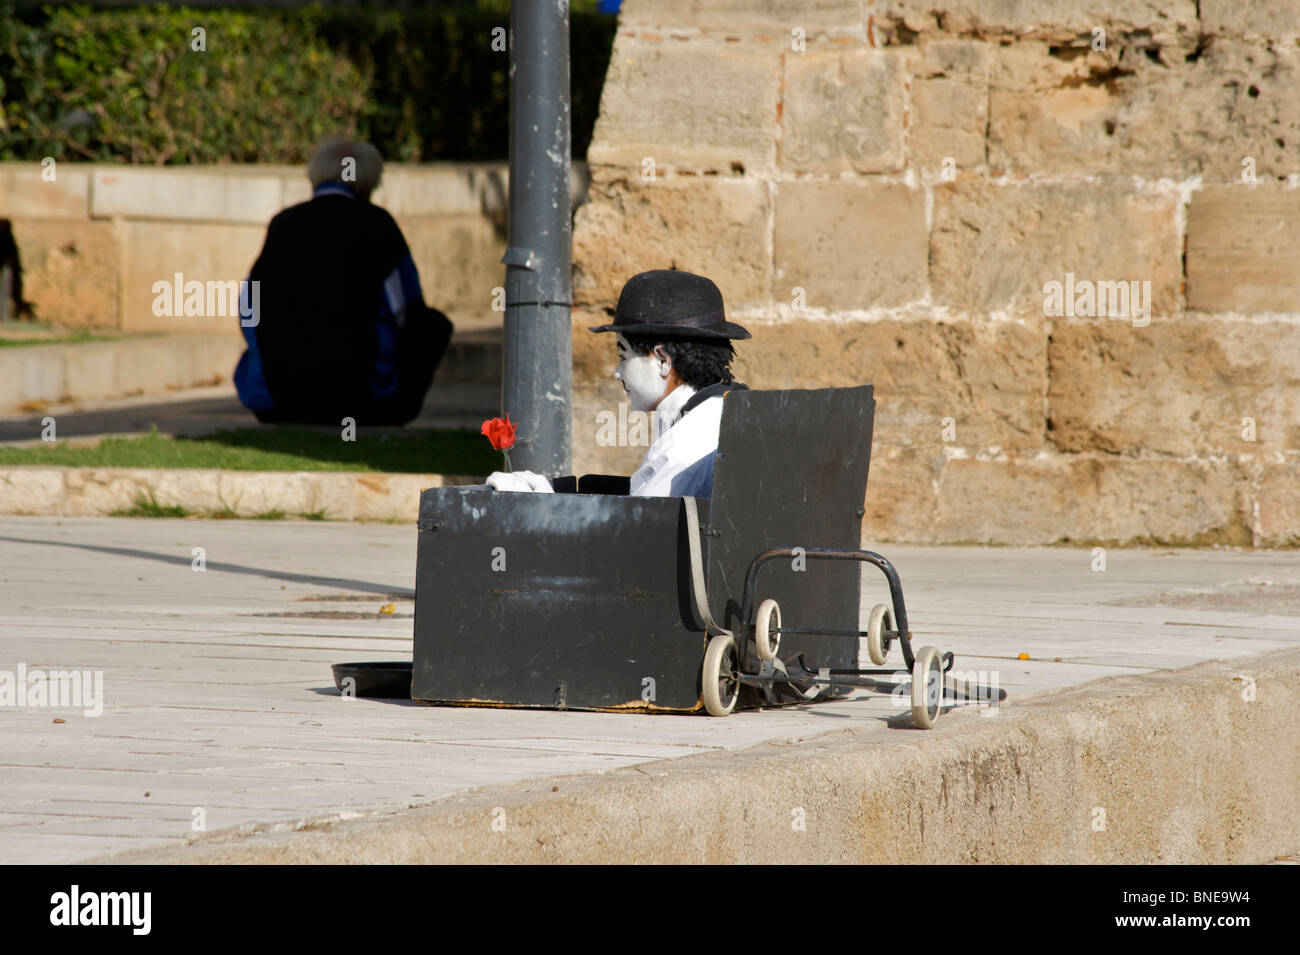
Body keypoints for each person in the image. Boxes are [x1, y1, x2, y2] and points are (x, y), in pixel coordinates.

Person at [233, 137, 453, 425]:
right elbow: (406, 311)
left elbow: (249, 304)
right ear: (367, 183)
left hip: (281, 398)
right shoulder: (377, 224)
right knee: (432, 325)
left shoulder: (284, 224)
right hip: (360, 399)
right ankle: (387, 405)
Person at [488, 268, 749, 497]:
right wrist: (552, 490)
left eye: (623, 356)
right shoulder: (715, 414)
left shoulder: (681, 447)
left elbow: (639, 534)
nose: (617, 372)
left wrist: (541, 505)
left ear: (662, 361)